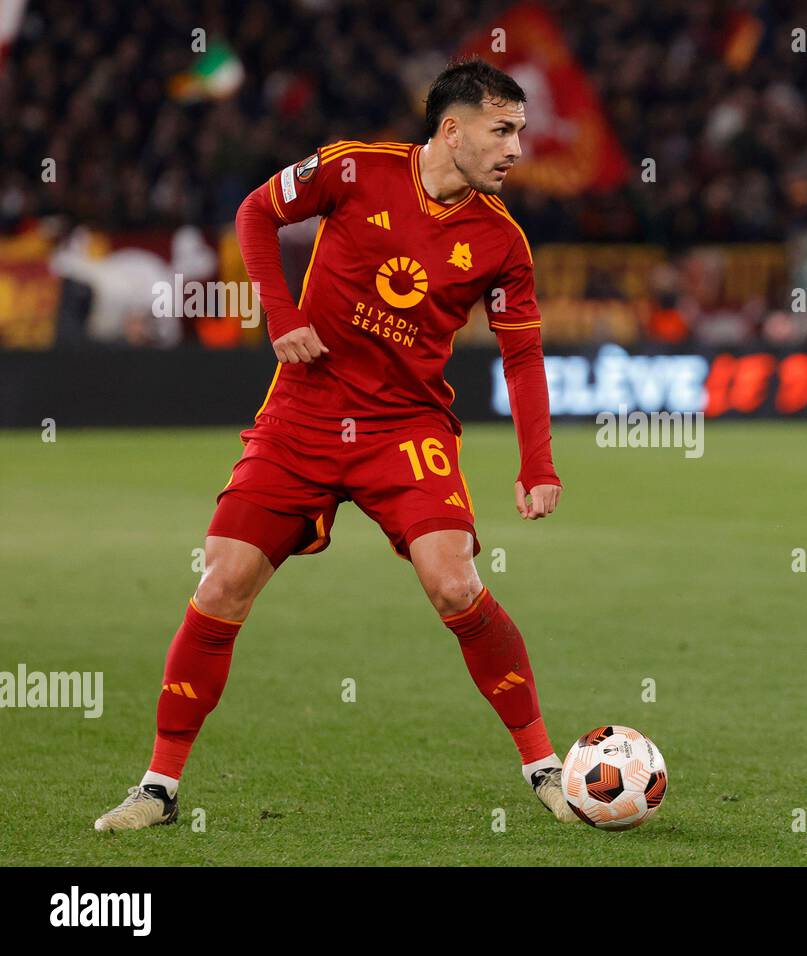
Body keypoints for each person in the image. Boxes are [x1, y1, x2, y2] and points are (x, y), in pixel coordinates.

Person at [93, 56, 577, 830]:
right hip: (304, 414)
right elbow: (256, 212)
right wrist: (281, 318)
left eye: (519, 131)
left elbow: (522, 355)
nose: (518, 148)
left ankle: (546, 768)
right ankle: (158, 787)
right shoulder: (353, 169)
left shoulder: (503, 244)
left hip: (405, 428)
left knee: (454, 584)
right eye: (504, 130)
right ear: (452, 130)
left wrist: (538, 465)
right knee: (221, 582)